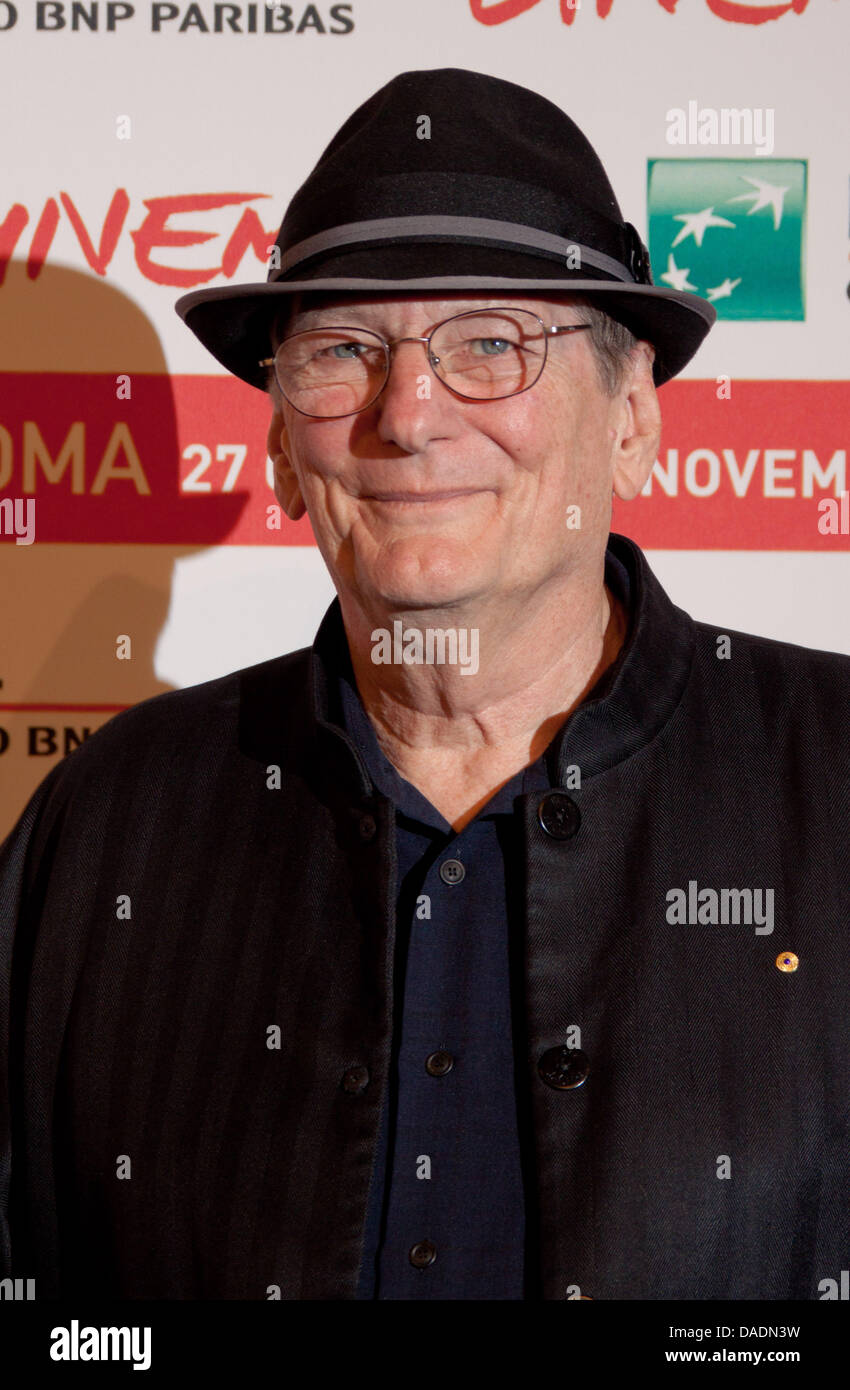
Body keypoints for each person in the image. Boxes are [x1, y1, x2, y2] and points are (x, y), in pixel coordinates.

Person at [1, 67, 848, 1302]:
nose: (407, 414)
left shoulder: (834, 782)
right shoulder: (104, 825)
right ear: (283, 450)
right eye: (345, 350)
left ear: (631, 416)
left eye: (492, 343)